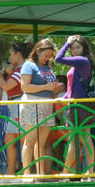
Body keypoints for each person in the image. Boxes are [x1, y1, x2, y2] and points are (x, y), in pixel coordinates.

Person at [16, 38, 63, 179]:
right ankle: (27, 174)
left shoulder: (47, 67)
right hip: (32, 105)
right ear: (38, 51)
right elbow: (24, 86)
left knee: (42, 143)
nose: (47, 58)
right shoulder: (28, 65)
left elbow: (48, 87)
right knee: (30, 140)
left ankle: (40, 173)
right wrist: (46, 87)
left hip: (47, 105)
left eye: (50, 56)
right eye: (46, 55)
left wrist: (55, 89)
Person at [56, 35, 95, 178]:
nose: (74, 51)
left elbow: (58, 58)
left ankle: (66, 172)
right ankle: (89, 173)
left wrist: (66, 43)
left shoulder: (82, 60)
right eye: (72, 49)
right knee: (85, 137)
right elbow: (74, 88)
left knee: (77, 139)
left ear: (84, 48)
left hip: (79, 106)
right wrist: (64, 98)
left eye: (77, 47)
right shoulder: (79, 64)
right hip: (77, 104)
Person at [0, 41, 30, 176]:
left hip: (19, 105)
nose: (10, 57)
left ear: (18, 54)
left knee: (21, 139)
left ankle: (25, 173)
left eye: (11, 54)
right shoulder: (20, 69)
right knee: (10, 139)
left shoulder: (23, 69)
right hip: (14, 106)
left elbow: (7, 86)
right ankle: (11, 173)